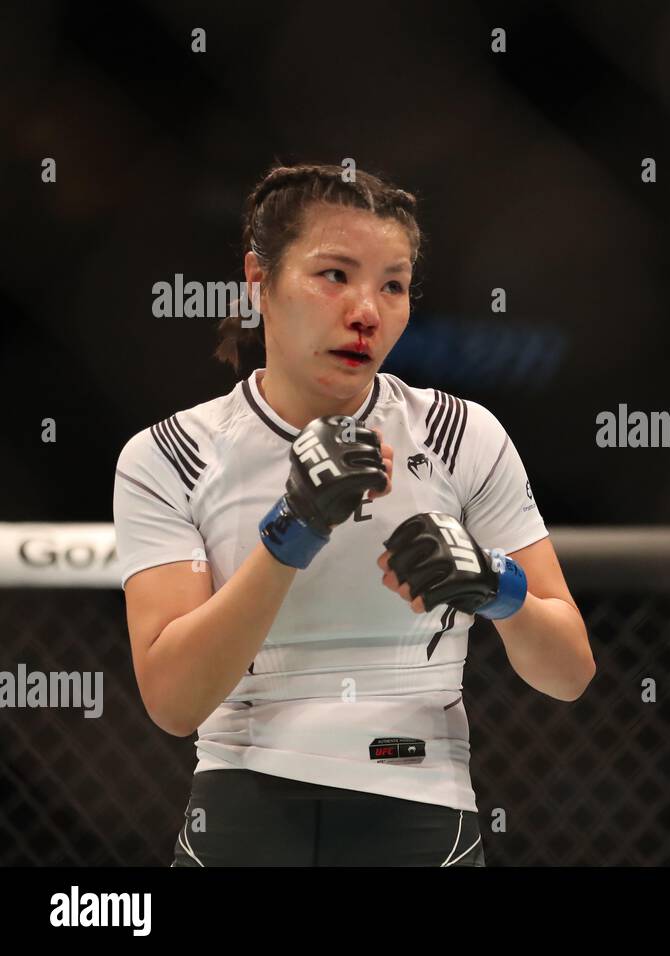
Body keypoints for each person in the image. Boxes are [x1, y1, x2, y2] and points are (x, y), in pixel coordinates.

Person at [112, 162, 594, 866]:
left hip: (423, 812)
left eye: (392, 285)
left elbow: (570, 672)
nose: (366, 310)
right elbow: (174, 702)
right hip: (243, 816)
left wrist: (499, 588)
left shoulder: (460, 436)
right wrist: (293, 530)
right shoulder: (173, 453)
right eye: (334, 274)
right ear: (259, 279)